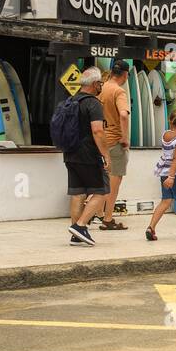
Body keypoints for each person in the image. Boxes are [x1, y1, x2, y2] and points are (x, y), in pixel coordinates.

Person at [64, 67, 110, 246]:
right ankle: (81, 226)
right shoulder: (93, 104)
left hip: (70, 154)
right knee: (102, 190)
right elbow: (98, 131)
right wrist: (106, 155)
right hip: (88, 155)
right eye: (100, 83)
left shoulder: (70, 101)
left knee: (78, 193)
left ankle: (76, 234)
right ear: (94, 84)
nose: (101, 86)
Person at [146, 109, 176, 241]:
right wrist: (172, 177)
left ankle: (151, 227)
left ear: (170, 120)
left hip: (164, 171)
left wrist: (168, 175)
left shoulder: (165, 134)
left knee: (165, 201)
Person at [98, 60, 132, 232]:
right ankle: (108, 218)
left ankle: (95, 211)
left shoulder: (101, 88)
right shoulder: (119, 91)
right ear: (125, 75)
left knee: (100, 180)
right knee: (114, 182)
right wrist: (125, 138)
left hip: (100, 140)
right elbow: (124, 115)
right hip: (114, 141)